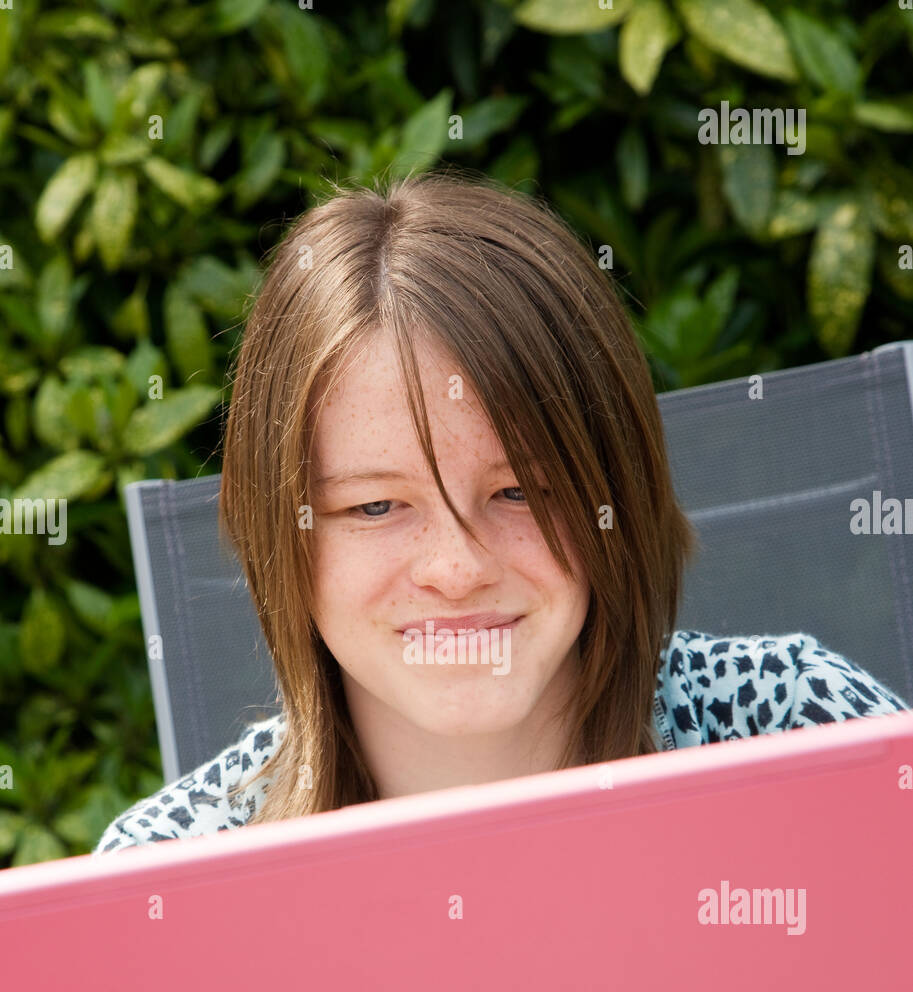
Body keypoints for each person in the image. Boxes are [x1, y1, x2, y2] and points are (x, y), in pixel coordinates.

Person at [94, 169, 908, 854]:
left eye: (519, 492)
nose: (456, 568)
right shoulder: (168, 871)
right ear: (279, 533)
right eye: (375, 505)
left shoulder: (803, 734)